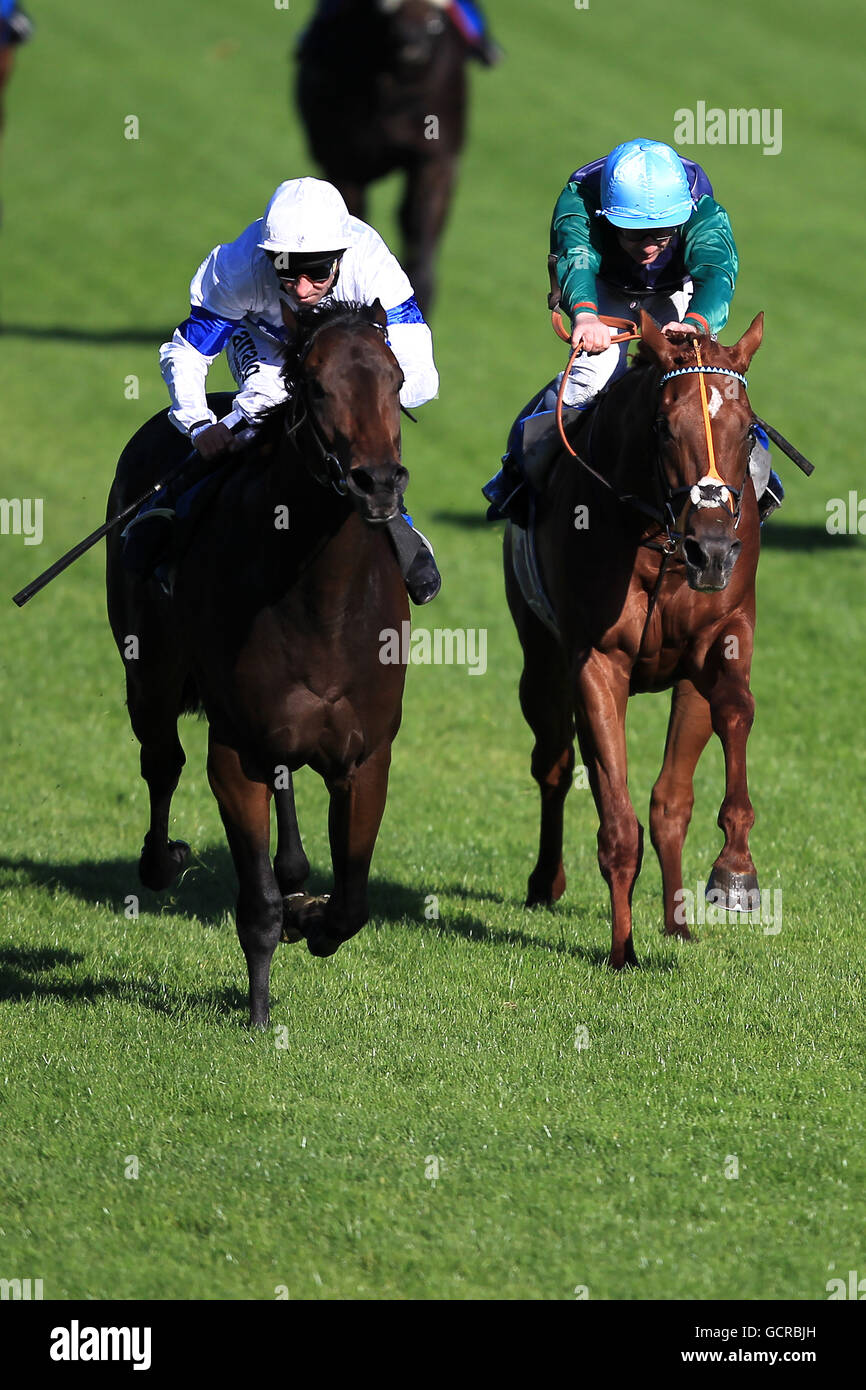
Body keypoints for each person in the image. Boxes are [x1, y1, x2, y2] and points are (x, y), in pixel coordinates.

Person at [125, 177, 441, 602]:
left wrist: (354, 395)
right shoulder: (240, 268)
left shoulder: (372, 268)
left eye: (316, 271)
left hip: (345, 351)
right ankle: (172, 504)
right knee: (265, 396)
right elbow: (187, 352)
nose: (302, 288)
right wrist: (199, 423)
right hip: (265, 339)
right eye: (286, 269)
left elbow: (422, 374)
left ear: (341, 257)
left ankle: (394, 515)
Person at [483, 138, 782, 525]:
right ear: (607, 217)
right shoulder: (579, 200)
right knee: (585, 384)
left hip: (674, 293)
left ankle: (761, 480)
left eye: (662, 234)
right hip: (603, 290)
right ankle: (518, 479)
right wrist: (587, 317)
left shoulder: (700, 205)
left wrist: (695, 323)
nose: (648, 246)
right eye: (632, 233)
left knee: (710, 394)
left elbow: (717, 271)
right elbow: (578, 260)